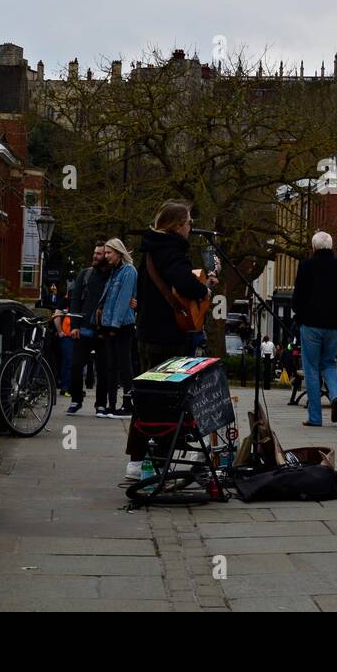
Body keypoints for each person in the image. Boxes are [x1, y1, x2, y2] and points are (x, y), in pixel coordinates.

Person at [128, 200, 214, 480]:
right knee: (166, 398)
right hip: (167, 334)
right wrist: (204, 290)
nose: (191, 228)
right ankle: (161, 451)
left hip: (147, 331)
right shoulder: (172, 250)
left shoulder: (151, 249)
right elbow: (184, 282)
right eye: (188, 223)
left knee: (146, 397)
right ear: (178, 226)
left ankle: (139, 458)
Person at [291, 231, 337, 426]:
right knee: (328, 363)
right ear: (331, 246)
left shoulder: (306, 266)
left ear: (314, 247)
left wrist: (299, 314)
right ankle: (336, 395)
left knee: (311, 368)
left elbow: (298, 297)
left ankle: (315, 417)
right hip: (334, 325)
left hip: (311, 324)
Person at [96, 239, 138, 420]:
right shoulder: (114, 272)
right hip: (110, 324)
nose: (106, 256)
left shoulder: (128, 271)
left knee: (124, 365)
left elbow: (123, 300)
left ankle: (127, 404)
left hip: (122, 325)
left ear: (119, 252)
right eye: (105, 253)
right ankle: (111, 405)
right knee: (110, 366)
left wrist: (114, 325)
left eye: (109, 253)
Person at [65, 242, 109, 415]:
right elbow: (75, 301)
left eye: (99, 254)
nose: (95, 256)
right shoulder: (85, 274)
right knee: (76, 366)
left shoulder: (113, 276)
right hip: (83, 328)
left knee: (104, 368)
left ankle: (101, 404)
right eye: (94, 253)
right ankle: (76, 400)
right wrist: (74, 325)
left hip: (103, 329)